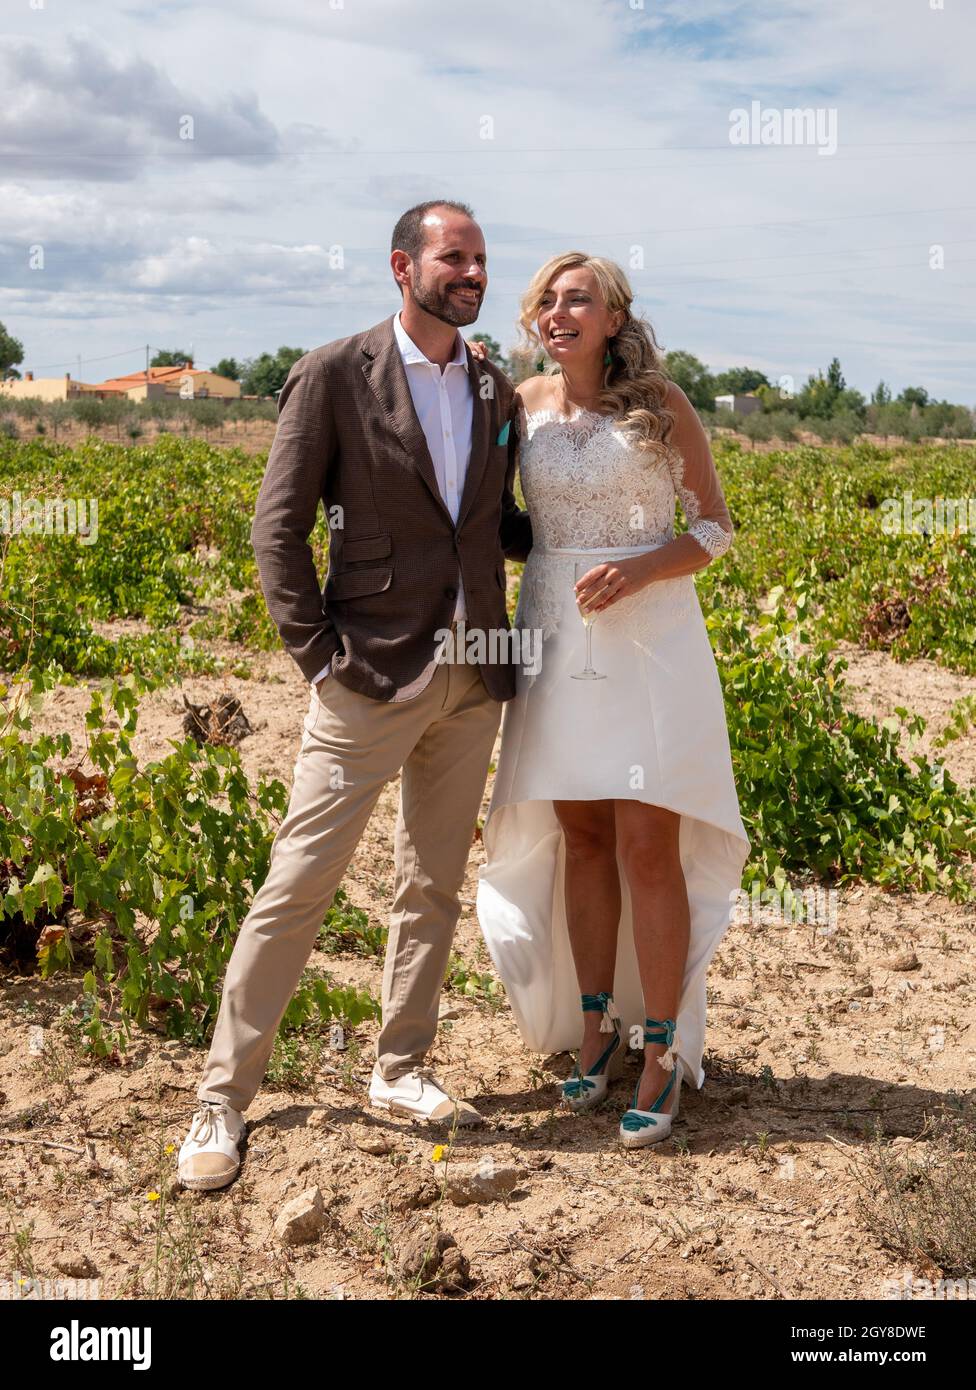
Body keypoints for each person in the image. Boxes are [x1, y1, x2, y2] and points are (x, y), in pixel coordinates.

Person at [178, 200, 532, 1190]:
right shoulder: (335, 373)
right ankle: (220, 1101)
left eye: (480, 258)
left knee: (430, 885)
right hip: (366, 674)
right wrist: (318, 657)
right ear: (401, 265)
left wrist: (589, 546)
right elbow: (277, 530)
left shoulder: (492, 383)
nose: (471, 272)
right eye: (453, 256)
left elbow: (488, 524)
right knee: (299, 884)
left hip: (472, 676)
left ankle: (401, 1067)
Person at [474, 252, 751, 1148]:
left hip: (651, 637)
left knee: (646, 842)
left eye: (577, 299)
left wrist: (638, 568)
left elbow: (713, 526)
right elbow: (494, 518)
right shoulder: (519, 405)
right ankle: (595, 1028)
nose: (559, 312)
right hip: (554, 632)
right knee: (582, 837)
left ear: (612, 315)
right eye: (546, 301)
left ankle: (662, 1049)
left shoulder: (662, 405)